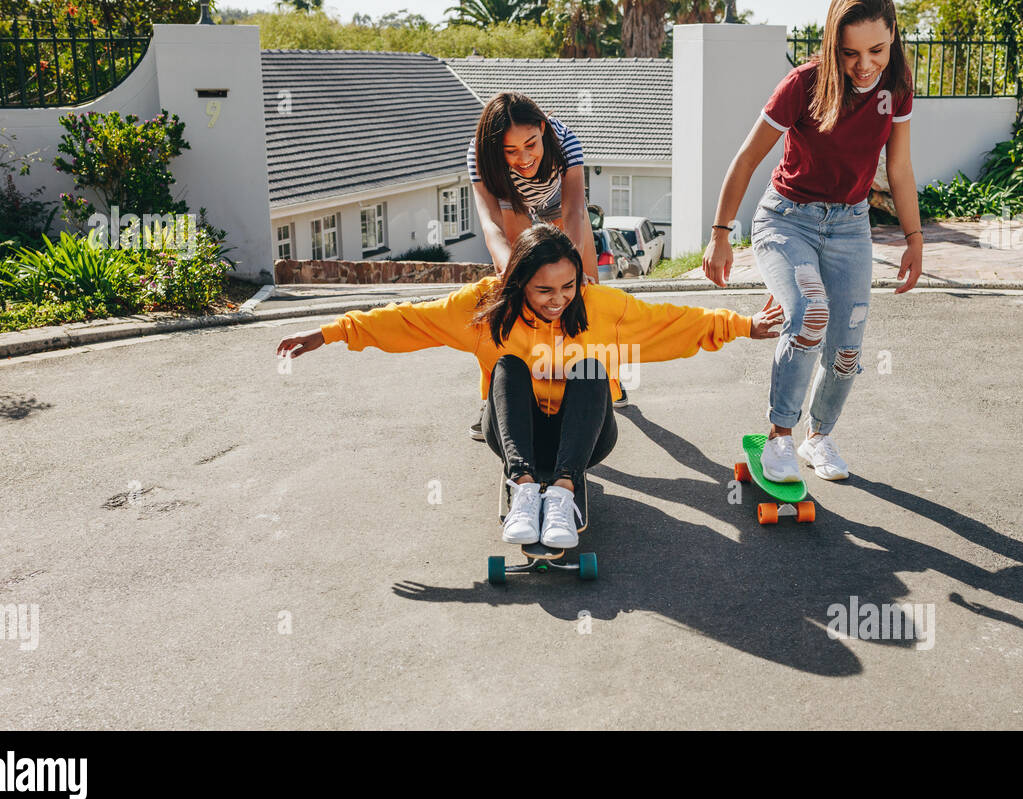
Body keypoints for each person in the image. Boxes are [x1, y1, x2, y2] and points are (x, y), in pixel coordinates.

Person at [276, 225, 783, 549]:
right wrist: (329, 333)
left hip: (585, 438)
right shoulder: (484, 307)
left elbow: (673, 322)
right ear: (518, 283)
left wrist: (742, 325)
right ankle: (523, 488)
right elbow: (409, 320)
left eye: (568, 286)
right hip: (513, 433)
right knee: (508, 368)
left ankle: (562, 492)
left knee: (590, 370)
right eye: (544, 290)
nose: (558, 299)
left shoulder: (600, 307)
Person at [702, 0, 924, 483]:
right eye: (849, 54)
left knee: (847, 348)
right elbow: (745, 160)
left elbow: (900, 168)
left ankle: (818, 436)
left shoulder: (896, 89)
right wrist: (720, 234)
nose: (864, 66)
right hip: (787, 220)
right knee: (810, 314)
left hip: (850, 226)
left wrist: (914, 237)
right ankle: (780, 437)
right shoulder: (803, 84)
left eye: (877, 50)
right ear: (831, 45)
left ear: (893, 37)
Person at [465, 93, 622, 443]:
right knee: (509, 303)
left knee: (586, 293)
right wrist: (513, 276)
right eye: (510, 151)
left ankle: (603, 380)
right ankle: (493, 398)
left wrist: (578, 273)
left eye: (530, 145)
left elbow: (574, 212)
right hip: (513, 203)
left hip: (558, 204)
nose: (523, 158)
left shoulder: (565, 140)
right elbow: (490, 225)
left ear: (541, 128)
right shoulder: (479, 155)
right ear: (495, 149)